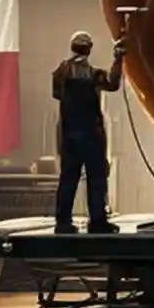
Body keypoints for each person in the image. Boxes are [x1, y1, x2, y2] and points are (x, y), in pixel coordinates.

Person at [52, 30, 126, 234]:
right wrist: (118, 58)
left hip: (69, 135)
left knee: (68, 178)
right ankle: (97, 221)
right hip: (91, 136)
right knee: (96, 179)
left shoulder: (61, 72)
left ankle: (63, 222)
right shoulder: (94, 75)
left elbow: (57, 93)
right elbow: (113, 83)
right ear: (89, 49)